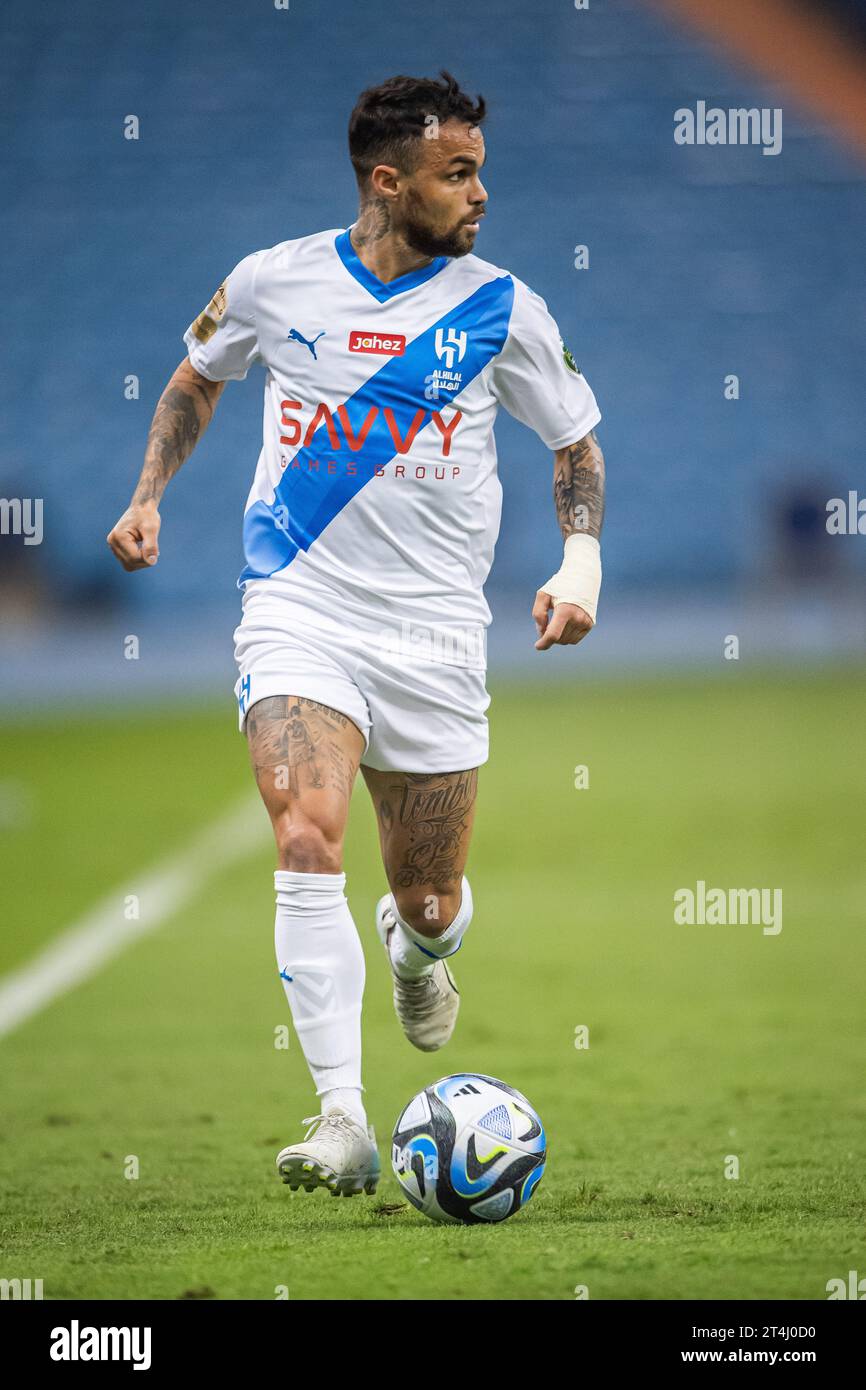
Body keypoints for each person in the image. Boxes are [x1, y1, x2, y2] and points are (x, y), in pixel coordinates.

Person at [107, 69, 605, 1199]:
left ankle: (418, 945)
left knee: (429, 899)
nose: (480, 193)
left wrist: (577, 562)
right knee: (303, 836)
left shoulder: (503, 309)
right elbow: (197, 373)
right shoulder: (272, 283)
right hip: (298, 606)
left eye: (479, 169)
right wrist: (150, 495)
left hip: (434, 636)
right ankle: (340, 1114)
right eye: (456, 173)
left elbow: (573, 444)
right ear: (387, 182)